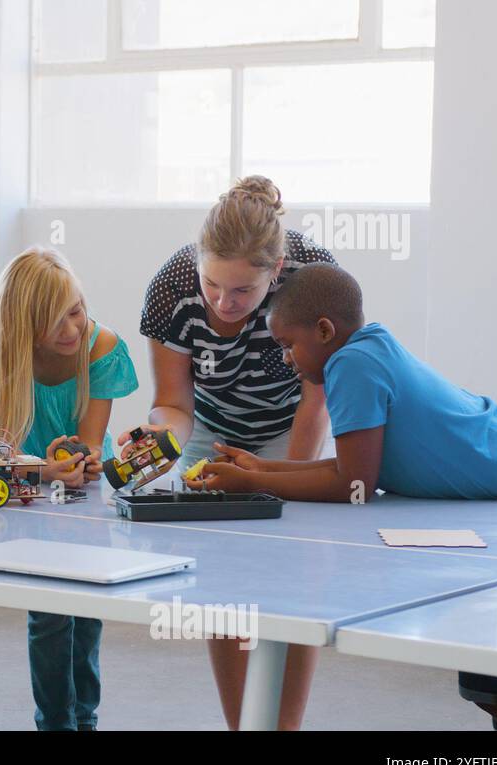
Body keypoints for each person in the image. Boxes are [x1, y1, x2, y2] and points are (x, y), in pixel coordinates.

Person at [189, 261, 497, 731]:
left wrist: (254, 482)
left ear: (324, 330)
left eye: (287, 345)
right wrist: (265, 466)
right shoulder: (367, 346)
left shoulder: (352, 364)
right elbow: (354, 468)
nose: (285, 359)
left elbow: (351, 488)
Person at [136, 175, 335, 730]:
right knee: (223, 584)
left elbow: (316, 400)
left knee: (297, 576)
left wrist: (282, 477)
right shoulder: (171, 285)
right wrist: (160, 442)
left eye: (243, 292)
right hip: (210, 429)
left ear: (275, 273)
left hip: (292, 427)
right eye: (213, 285)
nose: (224, 303)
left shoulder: (315, 276)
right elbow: (173, 402)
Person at [0, 247, 139, 730]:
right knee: (48, 615)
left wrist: (77, 463)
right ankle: (55, 723)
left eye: (76, 311)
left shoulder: (101, 347)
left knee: (85, 611)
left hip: (85, 496)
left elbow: (88, 444)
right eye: (54, 321)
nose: (72, 329)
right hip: (29, 497)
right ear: (24, 326)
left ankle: (85, 720)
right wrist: (43, 471)